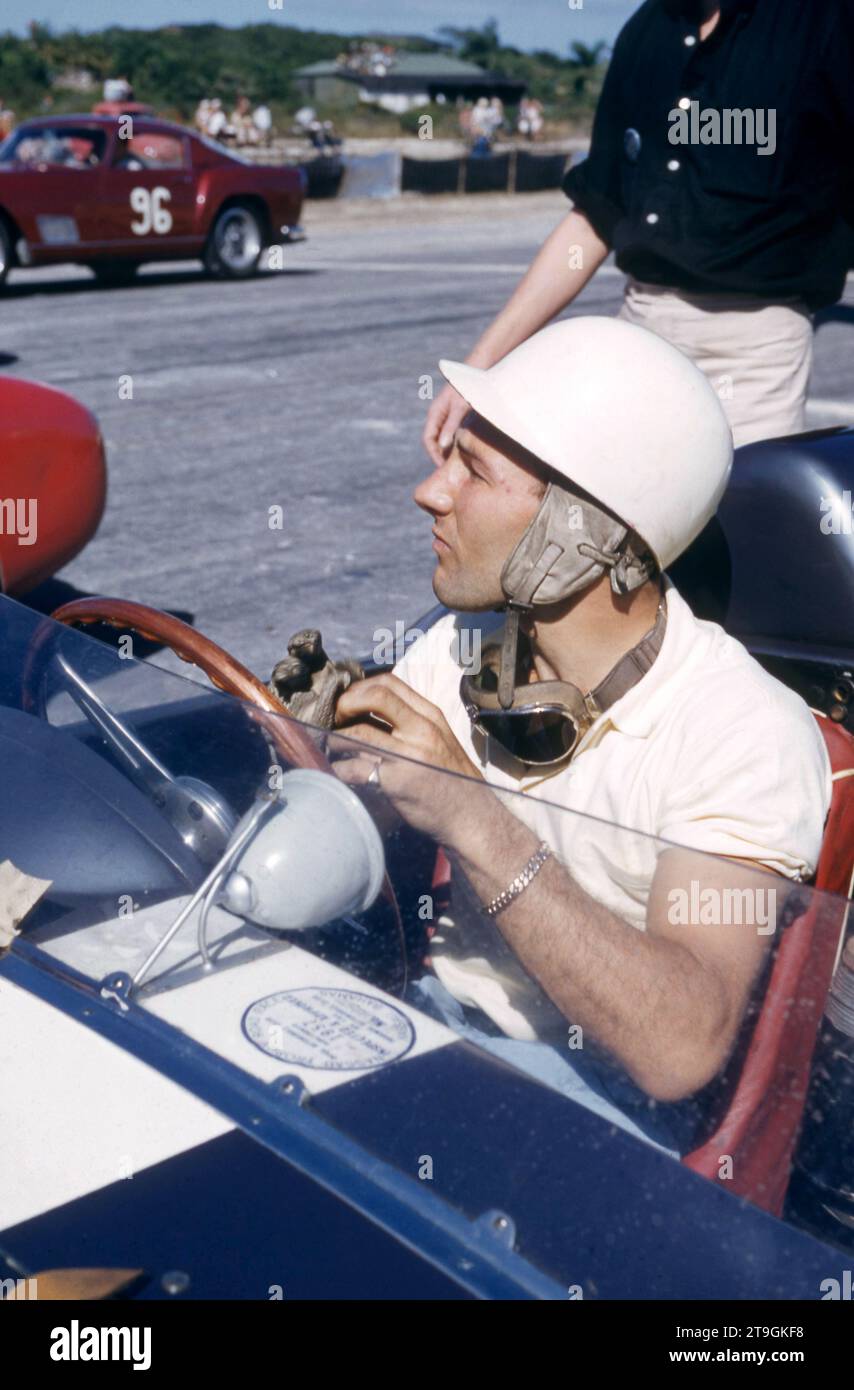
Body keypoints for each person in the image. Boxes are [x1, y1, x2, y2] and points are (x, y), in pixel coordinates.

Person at [272, 317, 831, 1154]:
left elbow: (681, 1049)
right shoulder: (472, 645)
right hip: (433, 1028)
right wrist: (305, 740)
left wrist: (474, 816)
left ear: (585, 528)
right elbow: (363, 812)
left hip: (604, 1116)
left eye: (474, 470)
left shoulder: (745, 733)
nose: (432, 493)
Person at [424, 0, 854, 456]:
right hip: (639, 335)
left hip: (753, 354)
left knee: (740, 520)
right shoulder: (648, 29)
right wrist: (479, 367)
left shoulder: (822, 22)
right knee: (608, 523)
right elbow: (595, 213)